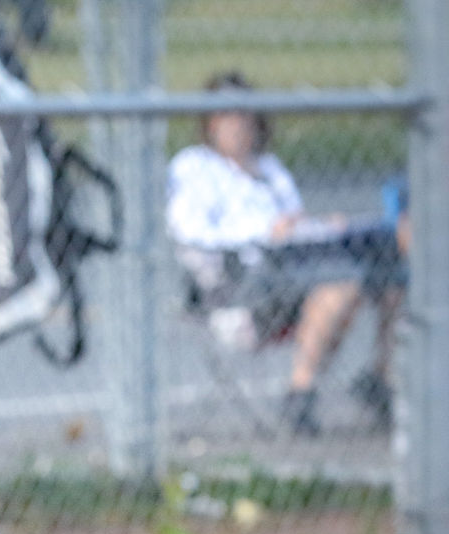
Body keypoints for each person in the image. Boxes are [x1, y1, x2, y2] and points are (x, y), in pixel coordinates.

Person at [166, 70, 404, 435]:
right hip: (240, 284)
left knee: (390, 267)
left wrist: (321, 226)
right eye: (228, 115)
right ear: (210, 122)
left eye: (246, 114)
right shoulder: (193, 167)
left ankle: (380, 378)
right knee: (340, 282)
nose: (239, 125)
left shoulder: (269, 169)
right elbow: (189, 232)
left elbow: (294, 222)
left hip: (292, 267)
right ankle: (300, 392)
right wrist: (262, 231)